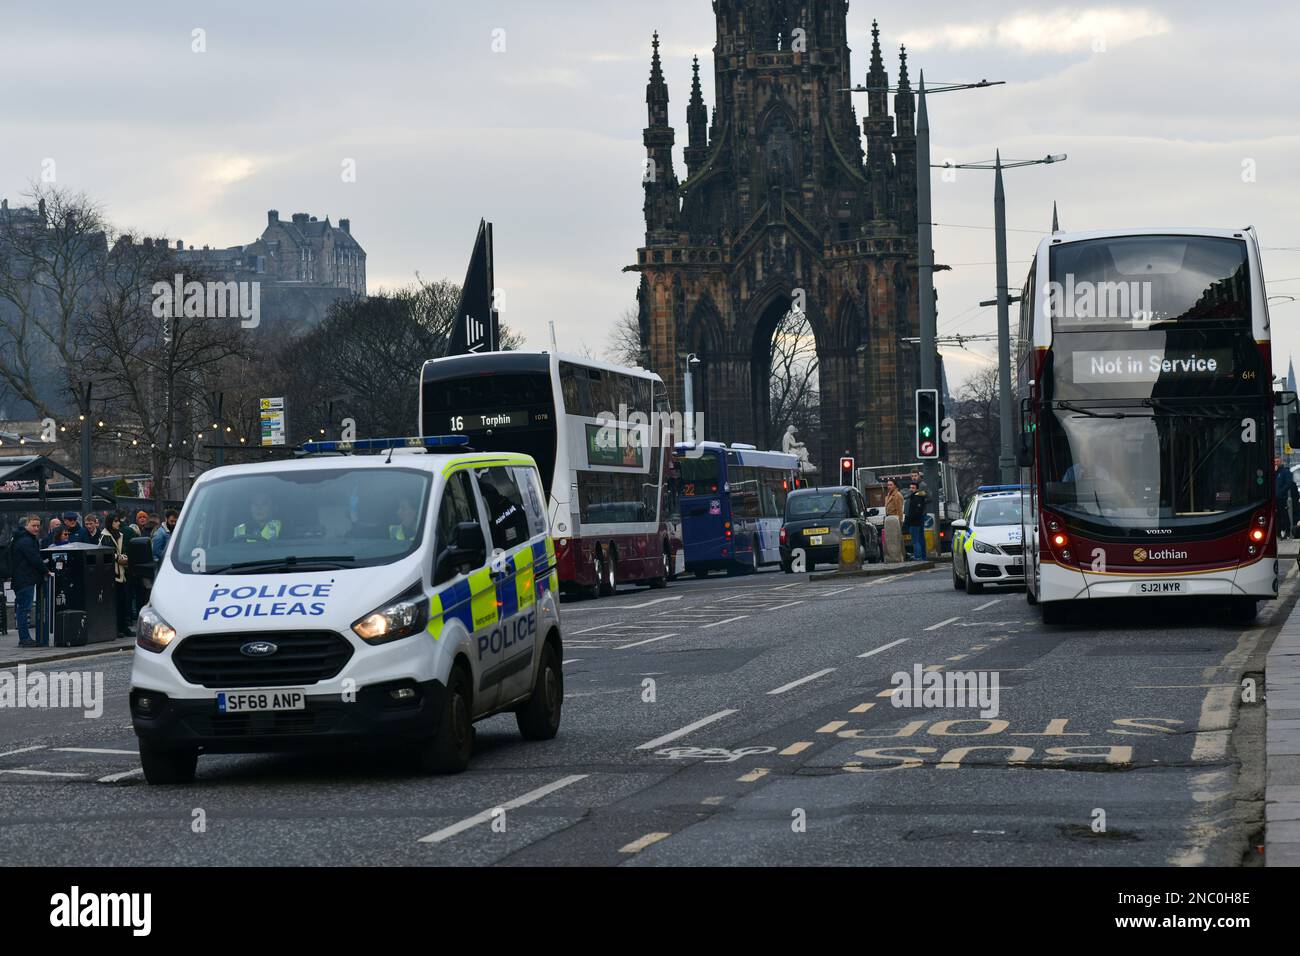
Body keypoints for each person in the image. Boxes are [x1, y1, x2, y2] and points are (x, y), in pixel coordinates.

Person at [11, 515, 50, 647]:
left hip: (24, 579)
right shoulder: (26, 541)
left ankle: (25, 638)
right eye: (33, 525)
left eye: (38, 526)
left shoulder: (24, 538)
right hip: (24, 579)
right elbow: (34, 559)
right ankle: (24, 638)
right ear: (27, 525)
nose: (36, 528)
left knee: (24, 609)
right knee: (24, 609)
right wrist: (46, 571)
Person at [100, 513, 133, 638]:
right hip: (111, 575)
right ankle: (117, 628)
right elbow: (106, 553)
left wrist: (123, 557)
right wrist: (118, 558)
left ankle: (123, 627)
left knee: (122, 602)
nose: (118, 523)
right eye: (115, 521)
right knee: (115, 604)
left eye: (118, 521)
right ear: (110, 523)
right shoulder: (105, 537)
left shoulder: (120, 535)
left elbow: (123, 550)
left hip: (121, 574)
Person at [904, 479, 928, 561]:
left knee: (915, 541)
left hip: (914, 522)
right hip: (919, 521)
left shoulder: (916, 498)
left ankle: (918, 556)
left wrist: (909, 520)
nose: (911, 489)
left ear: (917, 489)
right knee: (921, 539)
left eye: (913, 488)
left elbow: (915, 511)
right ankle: (923, 557)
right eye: (910, 487)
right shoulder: (915, 497)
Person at [1276, 458, 1297, 539]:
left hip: (1282, 498)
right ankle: (1278, 532)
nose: (1276, 463)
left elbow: (1288, 484)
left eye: (1277, 461)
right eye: (1274, 461)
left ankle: (1287, 532)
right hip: (1275, 499)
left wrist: (1281, 492)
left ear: (1281, 462)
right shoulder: (1275, 472)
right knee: (1277, 516)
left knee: (1284, 515)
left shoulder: (1285, 472)